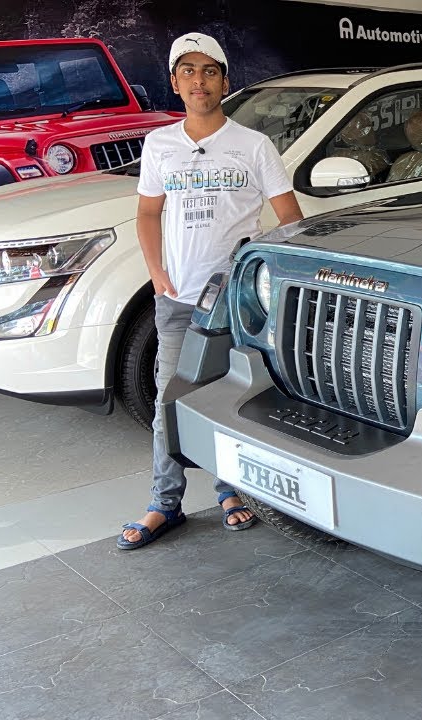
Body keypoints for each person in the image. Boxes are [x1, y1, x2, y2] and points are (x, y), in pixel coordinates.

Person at [119, 32, 304, 549]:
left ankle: (230, 490)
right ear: (175, 83)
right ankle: (164, 503)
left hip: (237, 305)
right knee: (167, 402)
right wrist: (157, 274)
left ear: (225, 81)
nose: (199, 81)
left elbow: (290, 220)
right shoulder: (160, 145)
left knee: (232, 400)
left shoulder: (253, 146)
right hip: (177, 302)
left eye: (209, 71)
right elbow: (148, 212)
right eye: (189, 72)